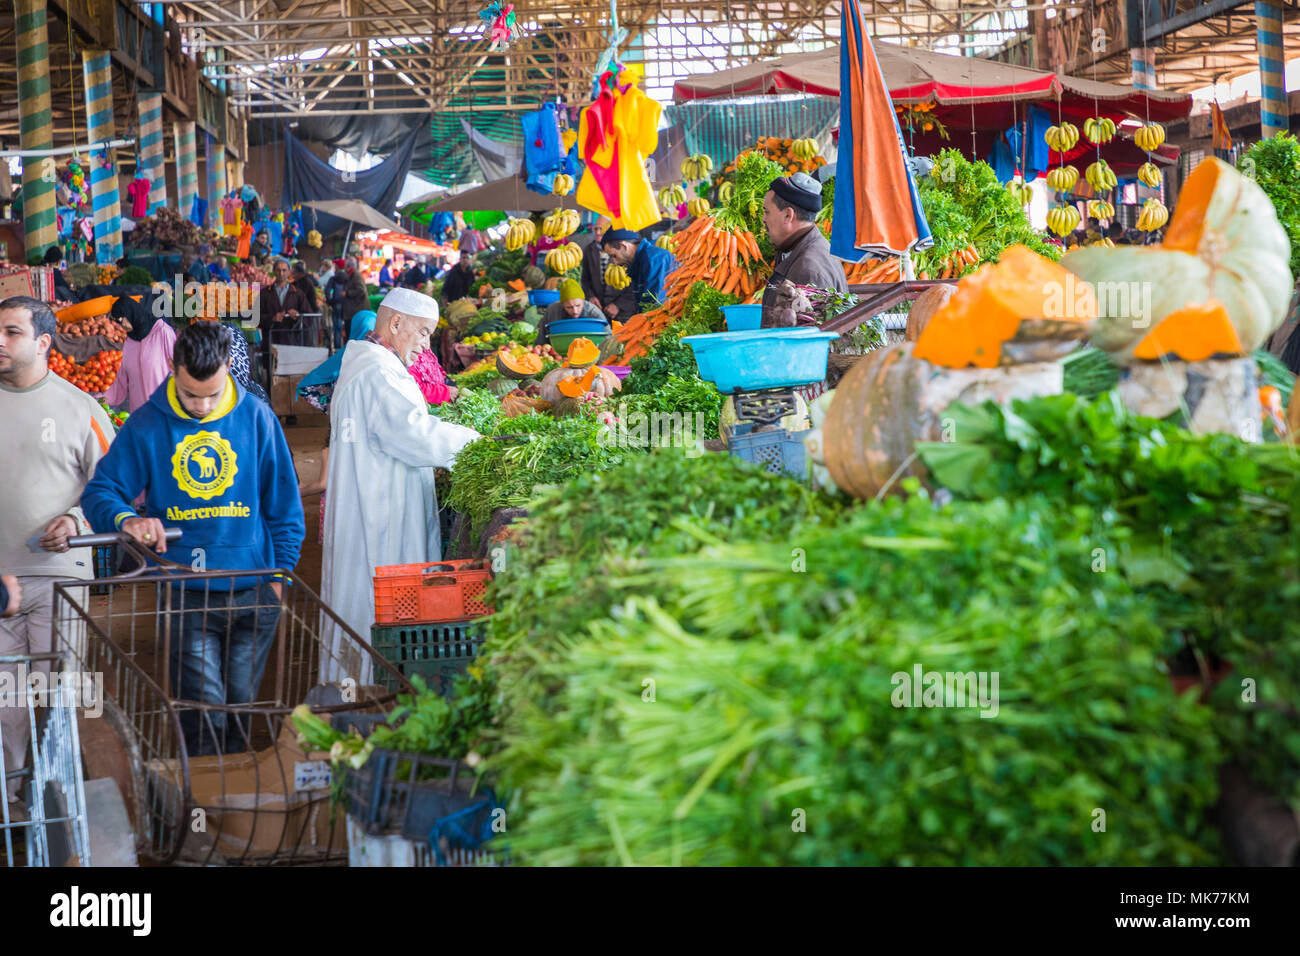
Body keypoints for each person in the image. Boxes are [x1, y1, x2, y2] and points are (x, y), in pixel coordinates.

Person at [81, 322, 304, 756]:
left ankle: (233, 807)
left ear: (227, 368)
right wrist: (127, 519)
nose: (201, 405)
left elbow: (284, 508)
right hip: (186, 594)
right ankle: (203, 811)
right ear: (172, 367)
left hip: (255, 590)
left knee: (241, 709)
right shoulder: (147, 424)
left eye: (211, 394)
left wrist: (281, 579)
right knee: (202, 712)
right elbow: (100, 491)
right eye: (190, 394)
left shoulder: (258, 417)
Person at [321, 288, 480, 679]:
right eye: (423, 333)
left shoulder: (372, 366)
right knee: (373, 609)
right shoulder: (377, 374)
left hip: (377, 504)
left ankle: (363, 690)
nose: (426, 347)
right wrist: (476, 443)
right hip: (378, 516)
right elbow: (414, 434)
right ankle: (366, 699)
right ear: (395, 323)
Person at [0, 296, 115, 819]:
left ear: (44, 343)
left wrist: (76, 520)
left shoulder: (80, 409)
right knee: (7, 703)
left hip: (59, 579)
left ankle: (60, 795)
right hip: (1, 584)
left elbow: (112, 490)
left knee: (60, 693)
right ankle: (12, 802)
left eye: (11, 333)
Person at [759, 173, 848, 328]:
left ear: (788, 215)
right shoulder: (797, 249)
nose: (763, 219)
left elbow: (804, 343)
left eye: (767, 211)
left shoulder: (809, 270)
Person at [104, 291, 176, 414]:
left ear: (131, 312)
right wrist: (101, 400)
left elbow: (179, 369)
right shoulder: (130, 342)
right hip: (139, 416)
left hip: (165, 412)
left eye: (121, 319)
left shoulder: (163, 333)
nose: (121, 325)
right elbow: (121, 382)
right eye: (116, 322)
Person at [600, 227, 677, 318]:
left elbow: (655, 306)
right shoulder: (638, 263)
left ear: (624, 246)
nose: (616, 263)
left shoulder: (654, 260)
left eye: (614, 256)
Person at [258, 258, 311, 388]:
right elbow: (256, 318)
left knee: (290, 381)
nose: (281, 273)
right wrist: (272, 318)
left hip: (291, 342)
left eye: (284, 270)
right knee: (272, 380)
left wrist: (297, 316)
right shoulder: (265, 293)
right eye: (278, 270)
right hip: (271, 342)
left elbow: (309, 319)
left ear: (289, 272)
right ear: (274, 272)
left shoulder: (298, 294)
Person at [536, 279, 608, 347]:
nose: (575, 311)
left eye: (578, 305)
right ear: (562, 304)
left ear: (583, 301)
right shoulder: (552, 311)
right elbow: (541, 340)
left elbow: (608, 337)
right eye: (569, 307)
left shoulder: (594, 312)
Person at [341, 256, 369, 326]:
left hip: (356, 310)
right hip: (352, 310)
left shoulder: (356, 275)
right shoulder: (350, 274)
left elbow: (361, 290)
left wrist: (347, 293)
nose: (344, 267)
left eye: (345, 265)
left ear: (348, 265)